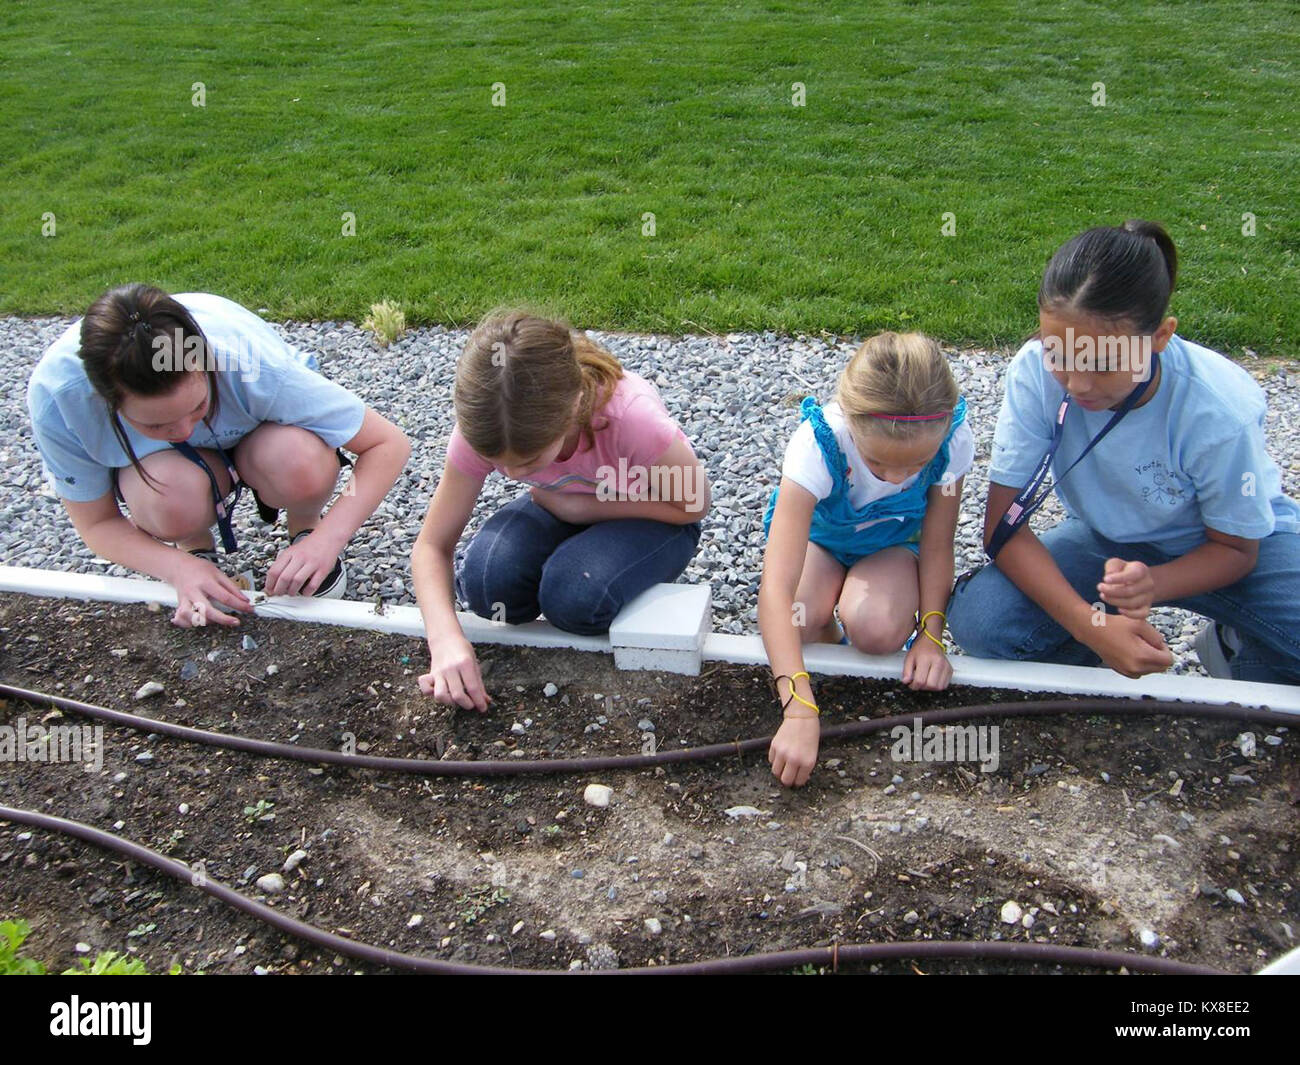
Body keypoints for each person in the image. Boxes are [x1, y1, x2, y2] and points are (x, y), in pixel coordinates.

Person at [947, 219, 1300, 684]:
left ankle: (1233, 647)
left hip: (1229, 548)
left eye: (1103, 365)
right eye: (1059, 355)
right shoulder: (1033, 372)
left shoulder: (1220, 408)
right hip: (1104, 542)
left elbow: (1237, 550)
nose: (1077, 384)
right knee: (983, 620)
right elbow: (1002, 527)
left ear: (1161, 336)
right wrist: (1092, 627)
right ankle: (1118, 651)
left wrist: (1154, 584)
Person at [26, 284, 411, 627]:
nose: (184, 433)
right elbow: (96, 524)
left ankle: (305, 525)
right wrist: (174, 568)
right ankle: (193, 547)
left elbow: (386, 445)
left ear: (207, 363)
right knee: (166, 497)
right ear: (107, 401)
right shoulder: (59, 398)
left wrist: (328, 539)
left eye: (197, 407)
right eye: (157, 426)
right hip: (170, 475)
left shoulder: (250, 363)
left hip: (265, 442)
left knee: (298, 461)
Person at [412, 311, 709, 712]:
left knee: (574, 597)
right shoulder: (485, 426)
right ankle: (576, 555)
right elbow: (432, 544)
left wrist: (580, 508)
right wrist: (444, 639)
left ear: (572, 410)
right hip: (560, 503)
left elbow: (694, 506)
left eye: (530, 460)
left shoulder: (631, 419)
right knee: (487, 583)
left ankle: (585, 567)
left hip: (657, 515)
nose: (513, 474)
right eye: (498, 463)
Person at [760, 332, 973, 787]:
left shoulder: (953, 440)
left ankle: (848, 618)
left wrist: (931, 634)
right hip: (822, 542)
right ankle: (830, 634)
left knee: (877, 631)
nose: (899, 477)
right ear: (852, 425)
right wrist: (797, 706)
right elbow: (775, 589)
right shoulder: (818, 444)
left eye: (917, 466)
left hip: (891, 547)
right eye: (879, 463)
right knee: (798, 620)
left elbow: (938, 544)